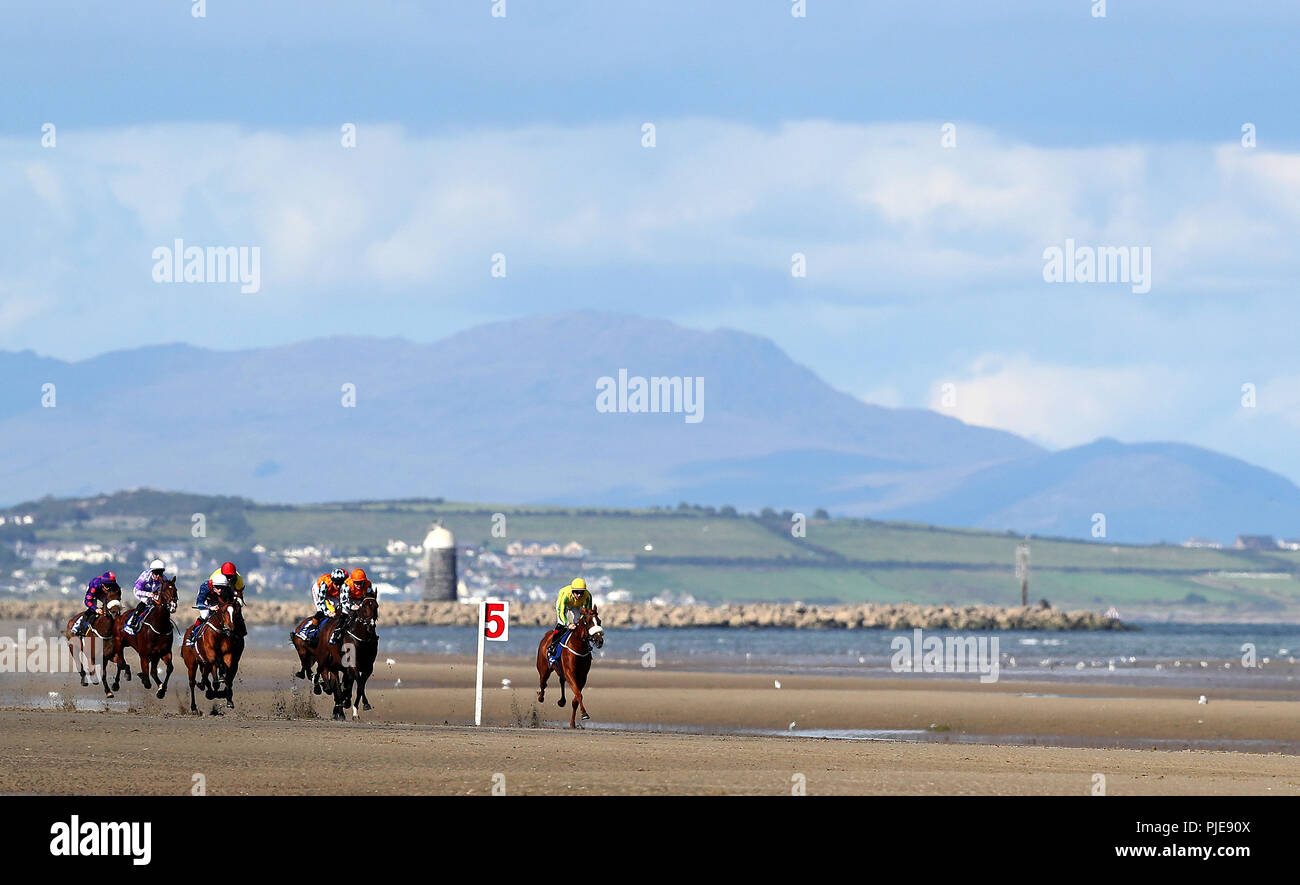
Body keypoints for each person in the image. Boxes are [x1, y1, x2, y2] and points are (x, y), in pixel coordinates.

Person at [296, 568, 347, 642]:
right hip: (318, 590)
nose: (338, 586)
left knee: (338, 608)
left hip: (330, 592)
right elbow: (321, 602)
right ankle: (305, 629)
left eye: (340, 583)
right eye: (336, 583)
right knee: (321, 611)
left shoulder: (345, 585)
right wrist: (328, 612)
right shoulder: (325, 584)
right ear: (332, 581)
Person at [546, 578, 591, 660]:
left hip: (577, 606)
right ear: (573, 591)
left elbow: (588, 613)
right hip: (564, 605)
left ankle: (586, 646)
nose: (579, 595)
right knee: (561, 624)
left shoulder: (587, 596)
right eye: (577, 592)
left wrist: (579, 621)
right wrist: (568, 623)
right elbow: (561, 613)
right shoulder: (566, 594)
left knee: (580, 624)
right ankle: (553, 645)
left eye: (581, 592)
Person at [185, 574, 229, 647]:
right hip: (206, 601)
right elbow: (199, 604)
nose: (220, 590)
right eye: (218, 587)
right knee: (205, 615)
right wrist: (210, 608)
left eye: (222, 587)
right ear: (213, 585)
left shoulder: (228, 589)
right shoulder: (205, 587)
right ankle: (192, 636)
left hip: (217, 600)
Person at [124, 559, 167, 636]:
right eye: (156, 573)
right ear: (152, 572)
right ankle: (132, 622)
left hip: (153, 593)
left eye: (160, 573)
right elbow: (137, 590)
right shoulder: (144, 577)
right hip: (141, 592)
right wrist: (147, 594)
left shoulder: (164, 579)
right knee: (146, 602)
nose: (158, 576)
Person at [331, 568, 373, 646]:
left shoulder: (368, 584)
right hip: (349, 600)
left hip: (360, 600)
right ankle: (335, 634)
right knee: (344, 613)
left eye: (360, 582)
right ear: (353, 581)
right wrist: (352, 607)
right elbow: (343, 601)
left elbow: (370, 597)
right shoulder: (346, 585)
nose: (359, 585)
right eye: (356, 583)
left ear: (364, 580)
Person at [74, 571, 120, 636]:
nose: (109, 588)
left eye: (111, 585)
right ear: (103, 584)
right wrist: (96, 609)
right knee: (92, 611)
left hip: (105, 596)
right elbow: (87, 601)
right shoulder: (95, 585)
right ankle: (79, 627)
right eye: (107, 585)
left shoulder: (115, 587)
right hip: (95, 594)